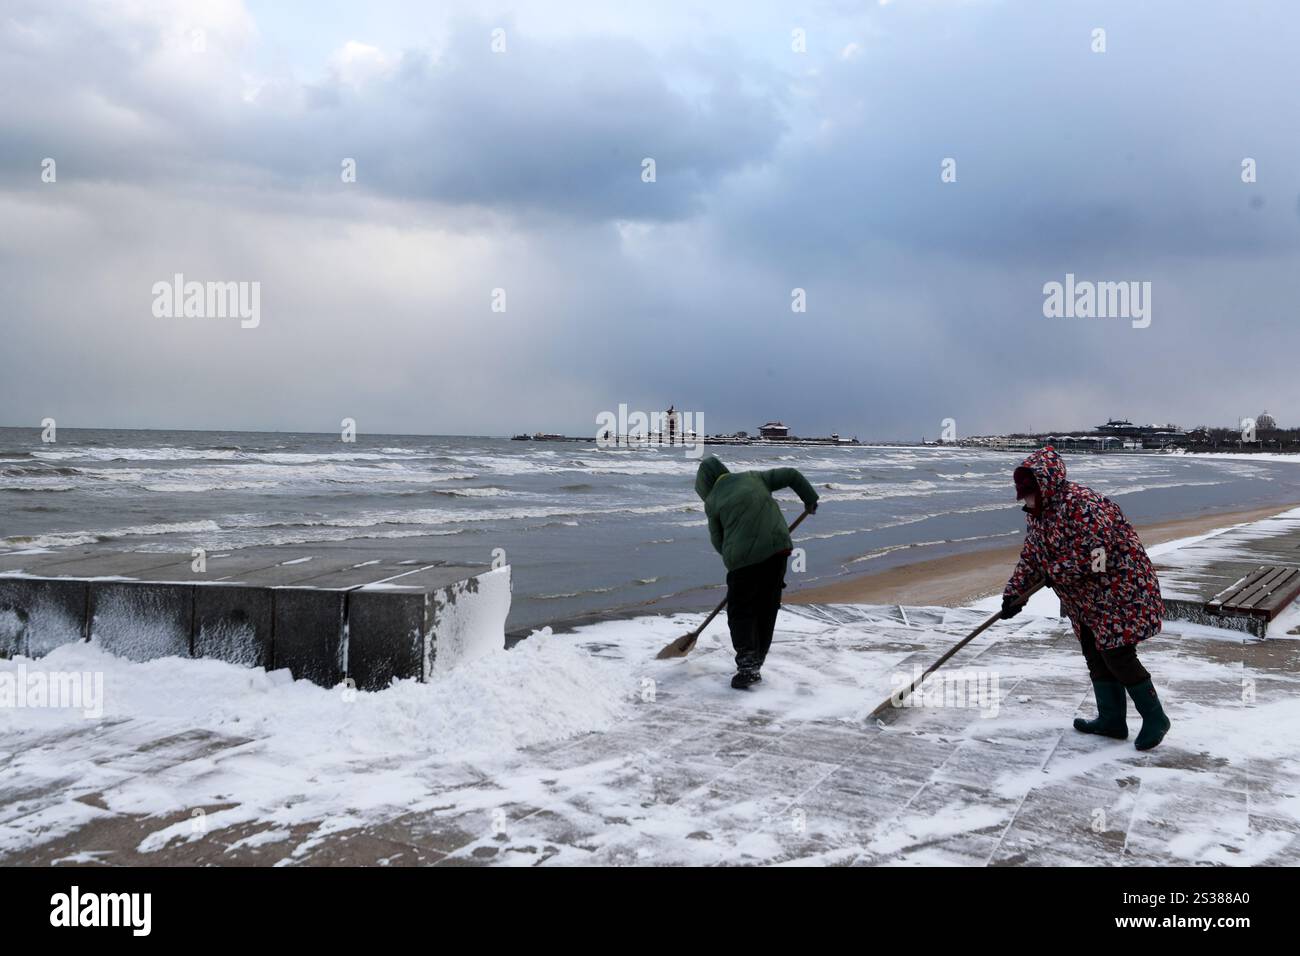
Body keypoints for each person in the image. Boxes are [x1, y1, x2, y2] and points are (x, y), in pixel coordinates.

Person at [1000, 446, 1170, 750]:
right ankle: (1112, 720)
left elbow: (1099, 558)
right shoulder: (1039, 514)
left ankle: (1156, 717)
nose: (1025, 502)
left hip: (1121, 590)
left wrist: (1057, 571)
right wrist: (1014, 594)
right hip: (1087, 599)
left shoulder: (1082, 505)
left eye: (1028, 495)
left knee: (1117, 654)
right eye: (1023, 497)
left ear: (1045, 485)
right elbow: (1031, 557)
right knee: (1094, 651)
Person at [694, 455, 819, 689]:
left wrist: (734, 560)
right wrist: (809, 499)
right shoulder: (755, 477)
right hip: (778, 550)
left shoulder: (712, 501)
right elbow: (791, 474)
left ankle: (747, 666)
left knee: (741, 611)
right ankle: (756, 660)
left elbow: (717, 540)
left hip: (743, 561)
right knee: (767, 605)